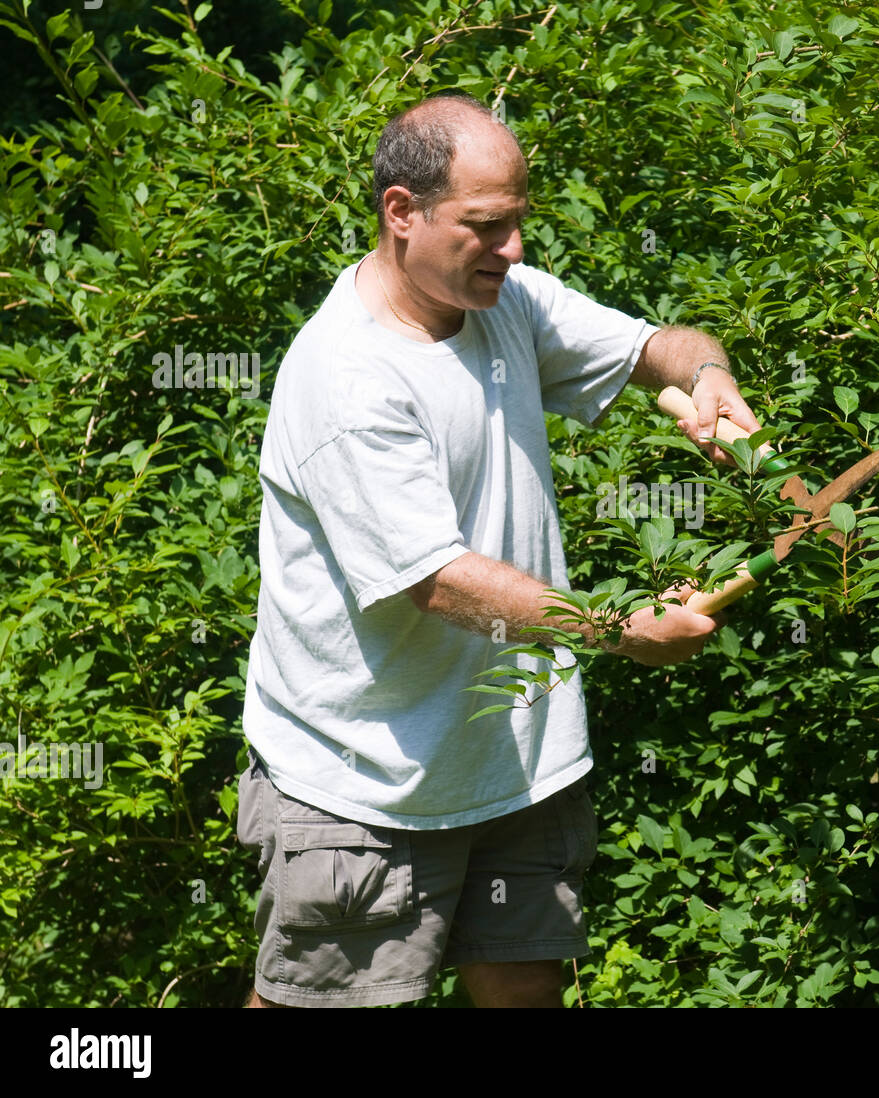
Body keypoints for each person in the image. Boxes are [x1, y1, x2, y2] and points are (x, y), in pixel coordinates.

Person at [236, 91, 763, 1008]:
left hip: (517, 761)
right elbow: (435, 581)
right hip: (366, 784)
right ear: (402, 214)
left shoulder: (501, 300)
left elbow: (656, 347)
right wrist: (613, 630)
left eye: (518, 222)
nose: (512, 249)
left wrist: (708, 377)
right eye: (486, 226)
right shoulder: (346, 377)